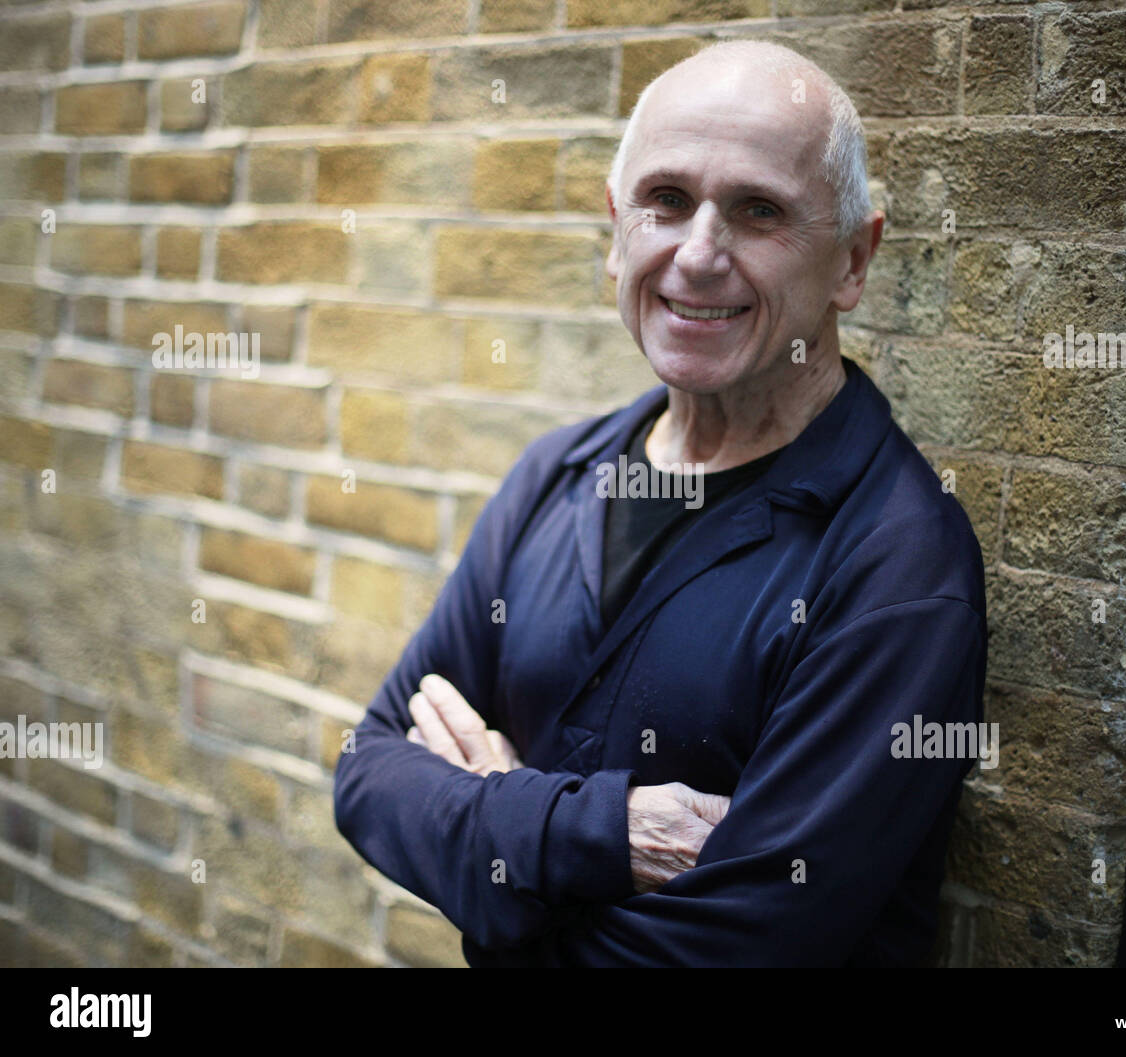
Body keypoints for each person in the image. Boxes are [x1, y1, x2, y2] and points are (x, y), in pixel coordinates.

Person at [333, 39, 987, 967]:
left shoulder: (898, 564)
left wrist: (488, 838)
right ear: (617, 229)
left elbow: (739, 951)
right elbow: (366, 768)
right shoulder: (555, 477)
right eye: (666, 200)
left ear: (852, 260)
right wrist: (590, 835)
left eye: (759, 211)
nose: (699, 253)